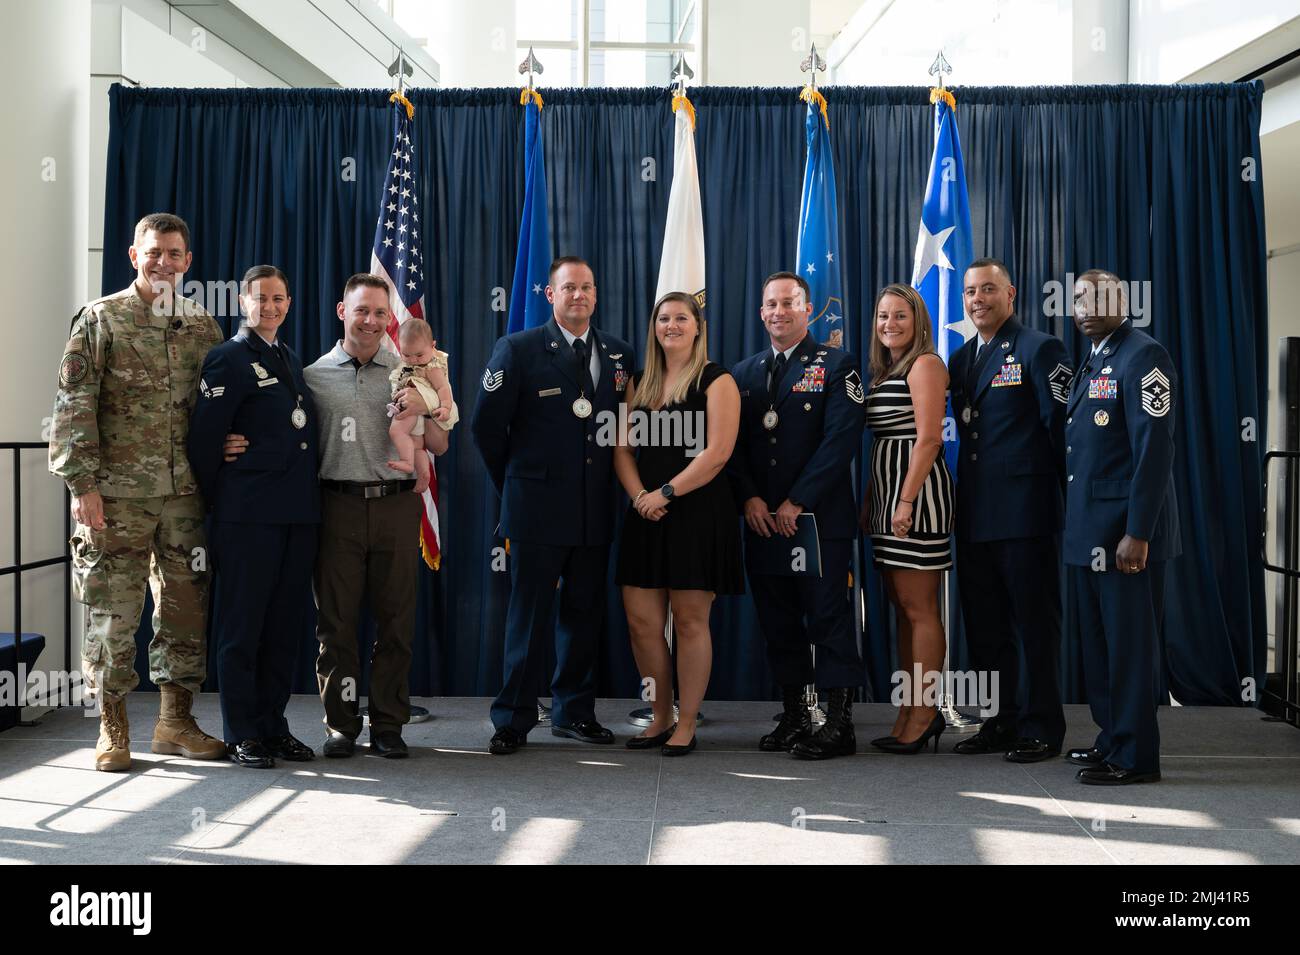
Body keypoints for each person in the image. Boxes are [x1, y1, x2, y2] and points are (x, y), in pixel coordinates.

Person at [48, 212, 227, 772]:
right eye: (154, 252)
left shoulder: (202, 326)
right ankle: (112, 725)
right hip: (115, 498)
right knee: (112, 611)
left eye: (174, 254)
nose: (164, 263)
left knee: (184, 610)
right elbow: (73, 406)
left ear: (187, 262)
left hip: (185, 499)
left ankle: (175, 720)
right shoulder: (101, 320)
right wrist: (83, 486)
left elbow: (217, 408)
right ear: (134, 255)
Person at [472, 256, 634, 755]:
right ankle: (513, 718)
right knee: (529, 617)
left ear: (595, 294)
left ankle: (573, 712)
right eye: (569, 288)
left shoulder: (621, 355)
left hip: (594, 510)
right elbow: (486, 428)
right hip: (535, 510)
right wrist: (518, 485)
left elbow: (626, 432)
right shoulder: (518, 349)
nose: (579, 295)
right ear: (550, 294)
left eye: (587, 287)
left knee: (583, 616)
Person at [289, 273, 451, 759]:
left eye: (381, 313)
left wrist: (432, 405)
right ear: (343, 312)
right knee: (335, 626)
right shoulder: (313, 376)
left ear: (391, 318)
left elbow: (440, 443)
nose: (372, 321)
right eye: (362, 311)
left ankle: (387, 724)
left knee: (396, 622)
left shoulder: (410, 370)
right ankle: (341, 725)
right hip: (335, 506)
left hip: (397, 505)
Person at [728, 271, 866, 760]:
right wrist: (749, 499)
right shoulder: (743, 373)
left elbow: (841, 441)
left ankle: (839, 722)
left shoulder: (838, 364)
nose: (778, 312)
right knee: (778, 621)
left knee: (827, 619)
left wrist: (798, 500)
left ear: (808, 310)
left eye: (789, 303)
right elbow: (735, 448)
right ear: (760, 312)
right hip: (763, 522)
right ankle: (795, 715)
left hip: (817, 521)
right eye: (770, 304)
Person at [188, 265, 320, 768]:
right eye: (260, 298)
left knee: (284, 627)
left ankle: (273, 726)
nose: (270, 306)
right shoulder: (227, 359)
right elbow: (205, 442)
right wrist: (224, 501)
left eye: (279, 298)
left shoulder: (288, 357)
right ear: (243, 302)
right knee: (242, 628)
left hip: (296, 515)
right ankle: (242, 731)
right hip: (247, 518)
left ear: (289, 303)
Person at [948, 258, 1073, 762]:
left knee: (1034, 624)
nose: (978, 298)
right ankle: (999, 722)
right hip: (975, 513)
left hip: (1025, 514)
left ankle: (1042, 726)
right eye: (970, 291)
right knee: (985, 626)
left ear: (1011, 293)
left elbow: (1061, 429)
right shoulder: (960, 360)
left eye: (988, 289)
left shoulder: (1041, 348)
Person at [614, 292, 742, 756]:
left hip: (697, 513)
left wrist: (664, 493)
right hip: (645, 512)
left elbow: (718, 453)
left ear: (697, 327)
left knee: (690, 622)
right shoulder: (639, 381)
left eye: (681, 318)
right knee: (641, 623)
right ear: (654, 327)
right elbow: (623, 450)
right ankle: (660, 716)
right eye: (663, 318)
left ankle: (687, 722)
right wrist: (639, 498)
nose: (671, 325)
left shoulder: (717, 379)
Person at [1065, 269, 1179, 785]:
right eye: (1078, 299)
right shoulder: (1097, 358)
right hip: (1089, 532)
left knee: (1130, 647)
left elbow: (1153, 451)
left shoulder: (1143, 356)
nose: (1086, 307)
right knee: (1100, 645)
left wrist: (1139, 532)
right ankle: (1112, 738)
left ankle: (1135, 756)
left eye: (1098, 297)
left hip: (1124, 535)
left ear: (1124, 300)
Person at [860, 284, 953, 755]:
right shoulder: (885, 371)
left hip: (918, 502)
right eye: (882, 316)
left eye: (900, 315)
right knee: (902, 610)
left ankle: (926, 713)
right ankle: (907, 710)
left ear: (918, 321)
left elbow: (930, 439)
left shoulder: (926, 365)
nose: (889, 324)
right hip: (888, 502)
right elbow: (883, 444)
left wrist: (906, 500)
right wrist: (874, 501)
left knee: (920, 609)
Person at [387, 318, 456, 475]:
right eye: (406, 354)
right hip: (410, 409)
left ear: (432, 346)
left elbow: (442, 387)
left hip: (415, 410)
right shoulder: (405, 366)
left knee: (396, 432)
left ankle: (407, 462)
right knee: (416, 445)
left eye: (419, 355)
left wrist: (445, 407)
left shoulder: (431, 367)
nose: (413, 360)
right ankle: (423, 475)